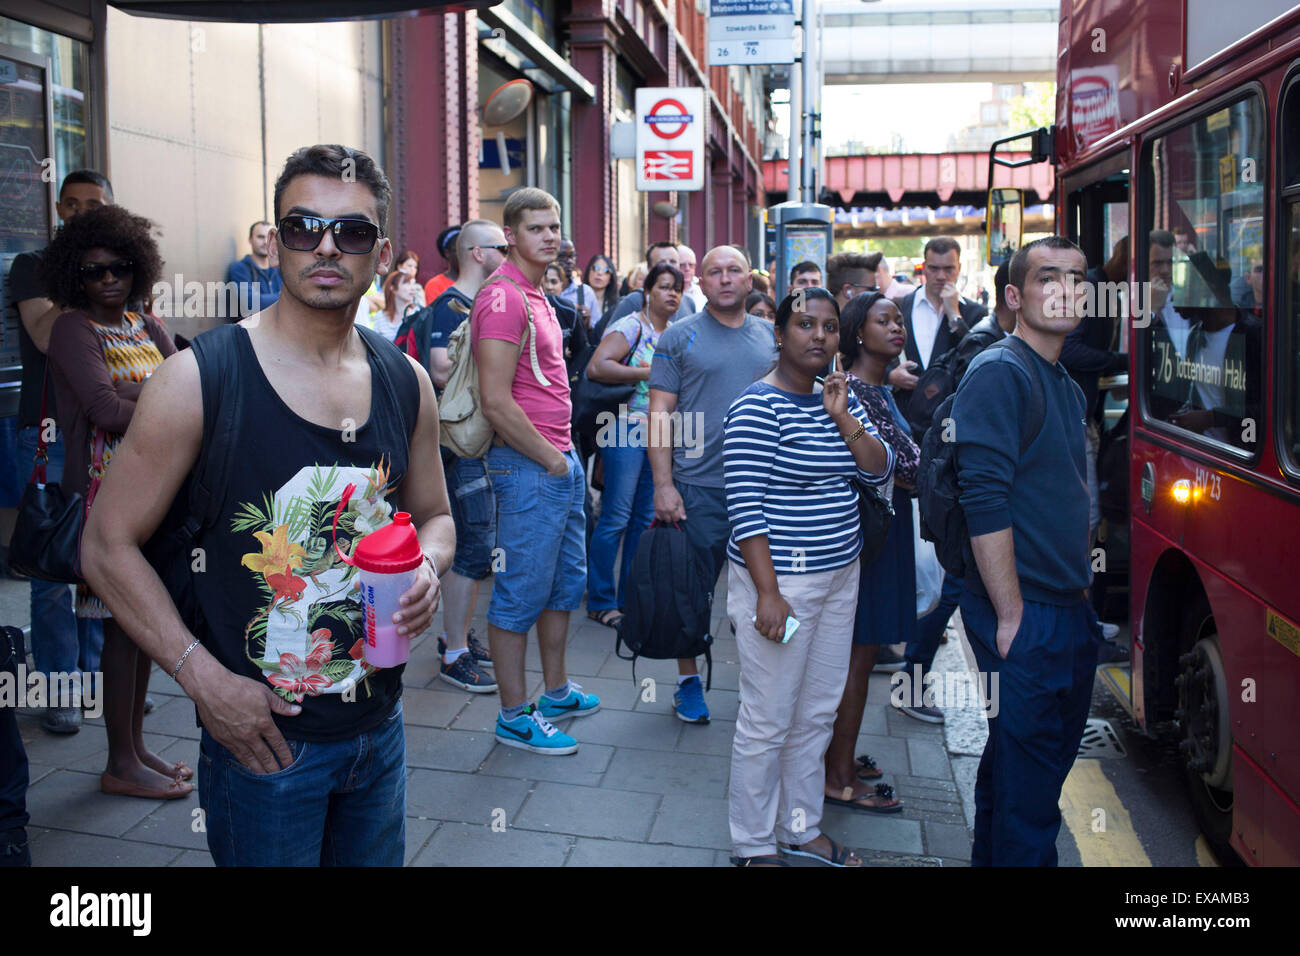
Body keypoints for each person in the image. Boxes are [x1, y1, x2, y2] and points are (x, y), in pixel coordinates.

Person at [81, 143, 455, 865]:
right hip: (261, 746)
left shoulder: (407, 380)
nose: (324, 246)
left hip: (380, 733)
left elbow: (436, 517)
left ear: (378, 254)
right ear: (275, 238)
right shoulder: (198, 380)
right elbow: (105, 545)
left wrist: (430, 570)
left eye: (349, 232)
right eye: (300, 226)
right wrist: (202, 678)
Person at [723, 288, 892, 866]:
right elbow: (745, 508)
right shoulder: (755, 407)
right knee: (769, 715)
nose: (817, 336)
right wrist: (768, 594)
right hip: (782, 587)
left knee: (818, 709)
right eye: (803, 324)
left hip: (840, 577)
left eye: (827, 327)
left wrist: (842, 415)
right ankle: (750, 842)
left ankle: (798, 827)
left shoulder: (839, 397)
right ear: (779, 333)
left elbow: (879, 468)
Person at [952, 235, 1103, 866]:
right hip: (1028, 614)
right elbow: (983, 500)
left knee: (1017, 779)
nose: (1065, 288)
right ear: (1014, 296)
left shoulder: (1064, 382)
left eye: (1076, 277)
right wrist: (1012, 615)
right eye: (1048, 277)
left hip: (1066, 610)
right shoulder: (1001, 372)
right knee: (1032, 805)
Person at [41, 204, 184, 799]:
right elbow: (102, 410)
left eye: (120, 268)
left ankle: (135, 748)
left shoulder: (143, 322)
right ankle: (119, 761)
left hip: (153, 488)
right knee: (120, 623)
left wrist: (140, 391)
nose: (109, 279)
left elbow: (187, 385)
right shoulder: (73, 328)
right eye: (95, 270)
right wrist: (152, 395)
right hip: (106, 496)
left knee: (139, 621)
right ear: (77, 274)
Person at [473, 187, 599, 756]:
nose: (550, 236)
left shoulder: (539, 293)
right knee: (519, 593)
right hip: (529, 466)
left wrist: (563, 459)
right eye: (537, 228)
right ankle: (513, 716)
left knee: (562, 585)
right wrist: (551, 461)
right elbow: (496, 401)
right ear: (511, 236)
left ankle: (555, 691)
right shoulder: (502, 298)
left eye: (555, 226)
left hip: (557, 459)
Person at [648, 245, 776, 724]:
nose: (724, 279)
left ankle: (764, 684)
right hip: (698, 487)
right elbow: (658, 412)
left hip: (765, 491)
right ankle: (688, 683)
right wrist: (664, 484)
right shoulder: (679, 337)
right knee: (692, 593)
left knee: (768, 592)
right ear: (699, 282)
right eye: (714, 272)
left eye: (734, 271)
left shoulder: (772, 338)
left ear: (750, 281)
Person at [6, 169, 108, 735]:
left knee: (102, 564)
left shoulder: (120, 273)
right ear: (60, 210)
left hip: (103, 434)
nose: (84, 211)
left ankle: (100, 683)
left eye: (96, 204)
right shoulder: (33, 267)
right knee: (52, 572)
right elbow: (46, 334)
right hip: (46, 437)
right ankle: (59, 689)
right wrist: (87, 279)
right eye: (74, 204)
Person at [896, 260, 1017, 719]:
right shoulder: (984, 344)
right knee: (953, 590)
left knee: (954, 590)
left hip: (963, 492)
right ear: (1013, 295)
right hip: (963, 493)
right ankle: (912, 678)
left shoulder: (987, 335)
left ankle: (913, 677)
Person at [824, 292, 916, 808]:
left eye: (899, 319)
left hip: (884, 533)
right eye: (885, 321)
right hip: (870, 540)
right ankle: (838, 778)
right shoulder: (859, 391)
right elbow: (906, 469)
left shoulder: (880, 389)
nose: (897, 327)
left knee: (856, 659)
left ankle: (840, 753)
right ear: (859, 333)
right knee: (856, 661)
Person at [426, 219, 507, 693]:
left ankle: (453, 638)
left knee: (473, 540)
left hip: (472, 438)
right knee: (472, 542)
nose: (508, 252)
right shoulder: (450, 305)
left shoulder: (475, 303)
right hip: (461, 442)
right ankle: (454, 653)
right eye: (501, 246)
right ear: (477, 253)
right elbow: (439, 367)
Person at [584, 263, 683, 628]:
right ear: (648, 293)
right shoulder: (632, 326)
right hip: (623, 428)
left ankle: (628, 600)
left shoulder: (675, 333)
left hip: (660, 433)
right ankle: (600, 600)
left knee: (644, 519)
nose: (672, 294)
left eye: (677, 289)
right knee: (616, 516)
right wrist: (650, 372)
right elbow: (598, 367)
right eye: (664, 287)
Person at [888, 236, 988, 423]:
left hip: (952, 419)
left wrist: (955, 317)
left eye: (948, 269)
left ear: (958, 268)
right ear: (924, 267)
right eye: (934, 268)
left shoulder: (975, 313)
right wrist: (890, 375)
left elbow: (979, 362)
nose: (941, 276)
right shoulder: (899, 307)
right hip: (904, 416)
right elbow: (875, 349)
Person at [609, 242, 695, 324]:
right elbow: (610, 335)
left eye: (673, 261)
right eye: (662, 262)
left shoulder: (689, 303)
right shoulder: (634, 301)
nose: (668, 266)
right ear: (649, 268)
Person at [226, 220, 283, 319]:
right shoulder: (240, 269)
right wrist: (285, 297)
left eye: (269, 238)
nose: (265, 242)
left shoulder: (280, 268)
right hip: (254, 330)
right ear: (250, 240)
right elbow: (251, 303)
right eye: (260, 237)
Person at [367, 269, 419, 342]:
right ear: (393, 288)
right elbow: (374, 346)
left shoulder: (418, 315)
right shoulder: (380, 316)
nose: (413, 288)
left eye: (413, 284)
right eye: (407, 283)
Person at [423, 224, 461, 304]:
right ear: (447, 253)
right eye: (459, 250)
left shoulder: (479, 283)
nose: (465, 255)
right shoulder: (435, 285)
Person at [583, 254, 621, 327]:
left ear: (611, 278)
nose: (599, 273)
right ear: (588, 272)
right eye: (595, 268)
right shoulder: (577, 296)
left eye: (606, 270)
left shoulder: (617, 305)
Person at [677, 244, 706, 312]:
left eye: (691, 265)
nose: (687, 269)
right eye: (682, 265)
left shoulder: (703, 290)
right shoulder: (667, 292)